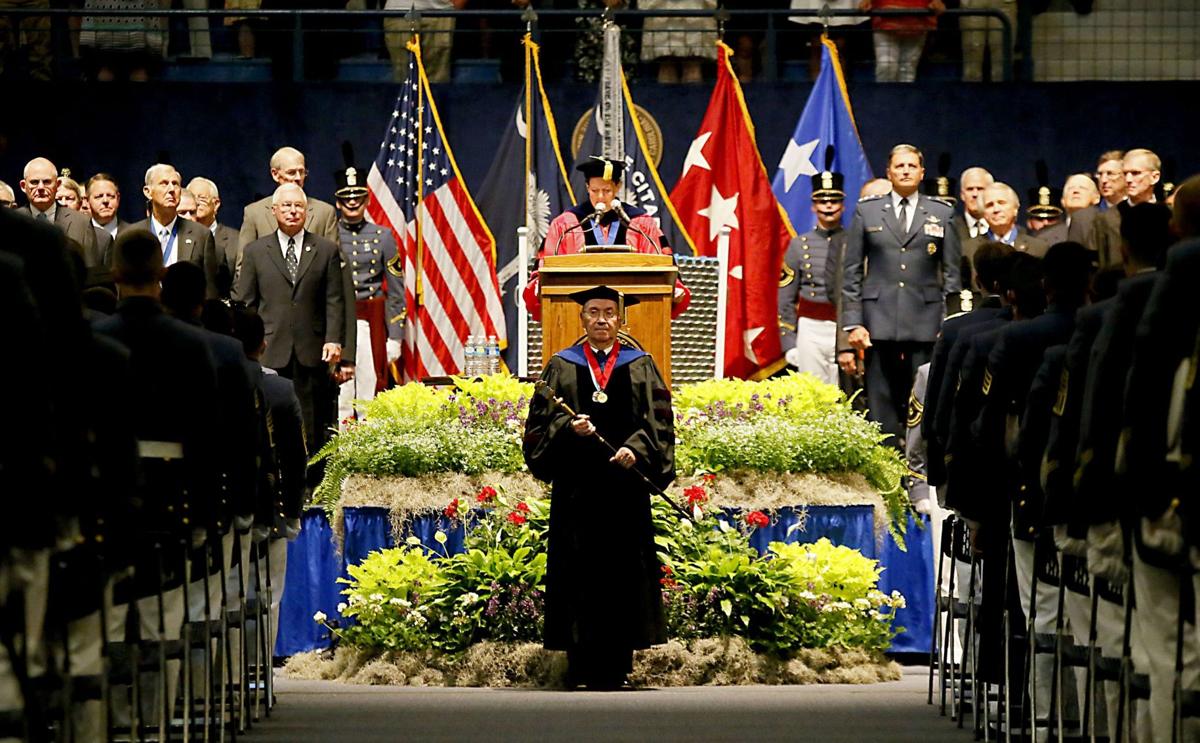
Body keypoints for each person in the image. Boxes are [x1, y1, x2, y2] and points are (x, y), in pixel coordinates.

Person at [93, 229, 221, 730]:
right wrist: (208, 514)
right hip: (173, 494)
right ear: (161, 277)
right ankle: (156, 724)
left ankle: (113, 722)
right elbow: (208, 438)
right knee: (162, 623)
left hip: (107, 495)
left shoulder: (97, 342)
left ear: (117, 275)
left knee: (108, 623)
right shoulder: (192, 344)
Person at [523, 284, 673, 690]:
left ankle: (617, 668)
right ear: (582, 317)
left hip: (623, 492)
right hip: (577, 491)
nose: (602, 319)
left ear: (620, 319)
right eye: (594, 312)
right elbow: (538, 426)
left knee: (620, 573)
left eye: (610, 312)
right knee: (578, 572)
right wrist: (568, 429)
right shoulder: (562, 365)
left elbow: (659, 422)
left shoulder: (640, 364)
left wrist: (635, 449)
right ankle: (579, 666)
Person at [842, 143, 961, 445]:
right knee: (880, 404)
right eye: (899, 166)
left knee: (924, 398)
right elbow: (852, 272)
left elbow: (951, 276)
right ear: (889, 172)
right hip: (877, 322)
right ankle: (886, 471)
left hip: (926, 321)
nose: (905, 171)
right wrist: (853, 323)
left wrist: (949, 323)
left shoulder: (941, 213)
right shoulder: (867, 210)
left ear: (922, 173)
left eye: (911, 166)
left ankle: (921, 470)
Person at [233, 182, 348, 459]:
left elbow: (334, 299)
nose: (293, 211)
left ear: (307, 212)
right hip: (268, 350)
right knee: (269, 421)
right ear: (274, 210)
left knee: (310, 423)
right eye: (286, 205)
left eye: (298, 206)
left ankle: (310, 484)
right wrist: (246, 346)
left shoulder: (325, 250)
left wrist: (334, 339)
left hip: (312, 350)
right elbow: (245, 303)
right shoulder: (256, 251)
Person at [523, 155, 690, 320]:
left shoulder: (641, 224)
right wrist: (539, 287)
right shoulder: (566, 224)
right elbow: (544, 271)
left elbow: (663, 270)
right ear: (587, 187)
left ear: (618, 187)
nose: (600, 197)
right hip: (573, 316)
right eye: (595, 191)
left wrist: (674, 290)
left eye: (607, 190)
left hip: (635, 317)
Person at [333, 156, 404, 422]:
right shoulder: (329, 236)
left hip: (371, 316)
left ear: (367, 200)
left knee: (369, 386)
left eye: (358, 197)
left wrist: (395, 336)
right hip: (338, 317)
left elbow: (396, 289)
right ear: (338, 202)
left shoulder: (383, 237)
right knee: (339, 387)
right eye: (347, 198)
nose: (353, 203)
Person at [778, 163, 847, 385]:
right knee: (813, 393)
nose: (828, 206)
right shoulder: (799, 245)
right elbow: (785, 298)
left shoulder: (855, 242)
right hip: (810, 329)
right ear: (813, 206)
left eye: (834, 201)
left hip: (845, 328)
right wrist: (789, 342)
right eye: (822, 201)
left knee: (846, 395)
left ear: (843, 206)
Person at [129, 163, 220, 297]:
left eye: (175, 184)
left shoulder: (201, 235)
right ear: (147, 192)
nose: (171, 189)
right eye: (164, 183)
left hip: (185, 314)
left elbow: (209, 290)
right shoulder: (132, 235)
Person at [239, 146, 339, 249]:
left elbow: (335, 261)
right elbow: (245, 262)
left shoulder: (324, 213)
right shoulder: (254, 213)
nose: (298, 178)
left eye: (301, 172)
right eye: (291, 173)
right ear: (275, 174)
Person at [1088, 148, 1161, 270]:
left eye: (1135, 173)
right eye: (1125, 173)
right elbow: (1103, 265)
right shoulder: (1106, 219)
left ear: (1154, 177)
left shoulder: (1167, 215)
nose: (1128, 180)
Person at [19, 157, 98, 258]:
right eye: (34, 182)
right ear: (23, 186)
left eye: (47, 182)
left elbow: (90, 268)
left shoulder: (82, 222)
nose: (40, 187)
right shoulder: (10, 223)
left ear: (57, 185)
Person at [383, 0, 466, 83]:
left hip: (440, 12)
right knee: (403, 75)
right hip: (400, 11)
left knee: (437, 78)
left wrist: (451, 8)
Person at [861, 0, 943, 83]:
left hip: (917, 21)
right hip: (886, 20)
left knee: (907, 70)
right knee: (886, 66)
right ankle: (885, 94)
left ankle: (903, 94)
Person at [638, 0, 718, 84]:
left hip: (694, 12)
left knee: (692, 66)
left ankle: (694, 93)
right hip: (662, 12)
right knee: (667, 66)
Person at [186, 176, 241, 298]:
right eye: (192, 197)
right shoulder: (178, 235)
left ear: (216, 204)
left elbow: (240, 283)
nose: (196, 202)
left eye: (201, 198)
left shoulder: (236, 239)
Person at [959, 0, 1014, 82]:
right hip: (972, 3)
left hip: (1004, 3)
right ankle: (970, 92)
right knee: (972, 53)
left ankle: (1002, 92)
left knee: (1002, 57)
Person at [952, 167, 993, 243]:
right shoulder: (951, 228)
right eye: (970, 189)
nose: (975, 194)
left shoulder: (999, 228)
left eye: (980, 189)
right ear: (962, 195)